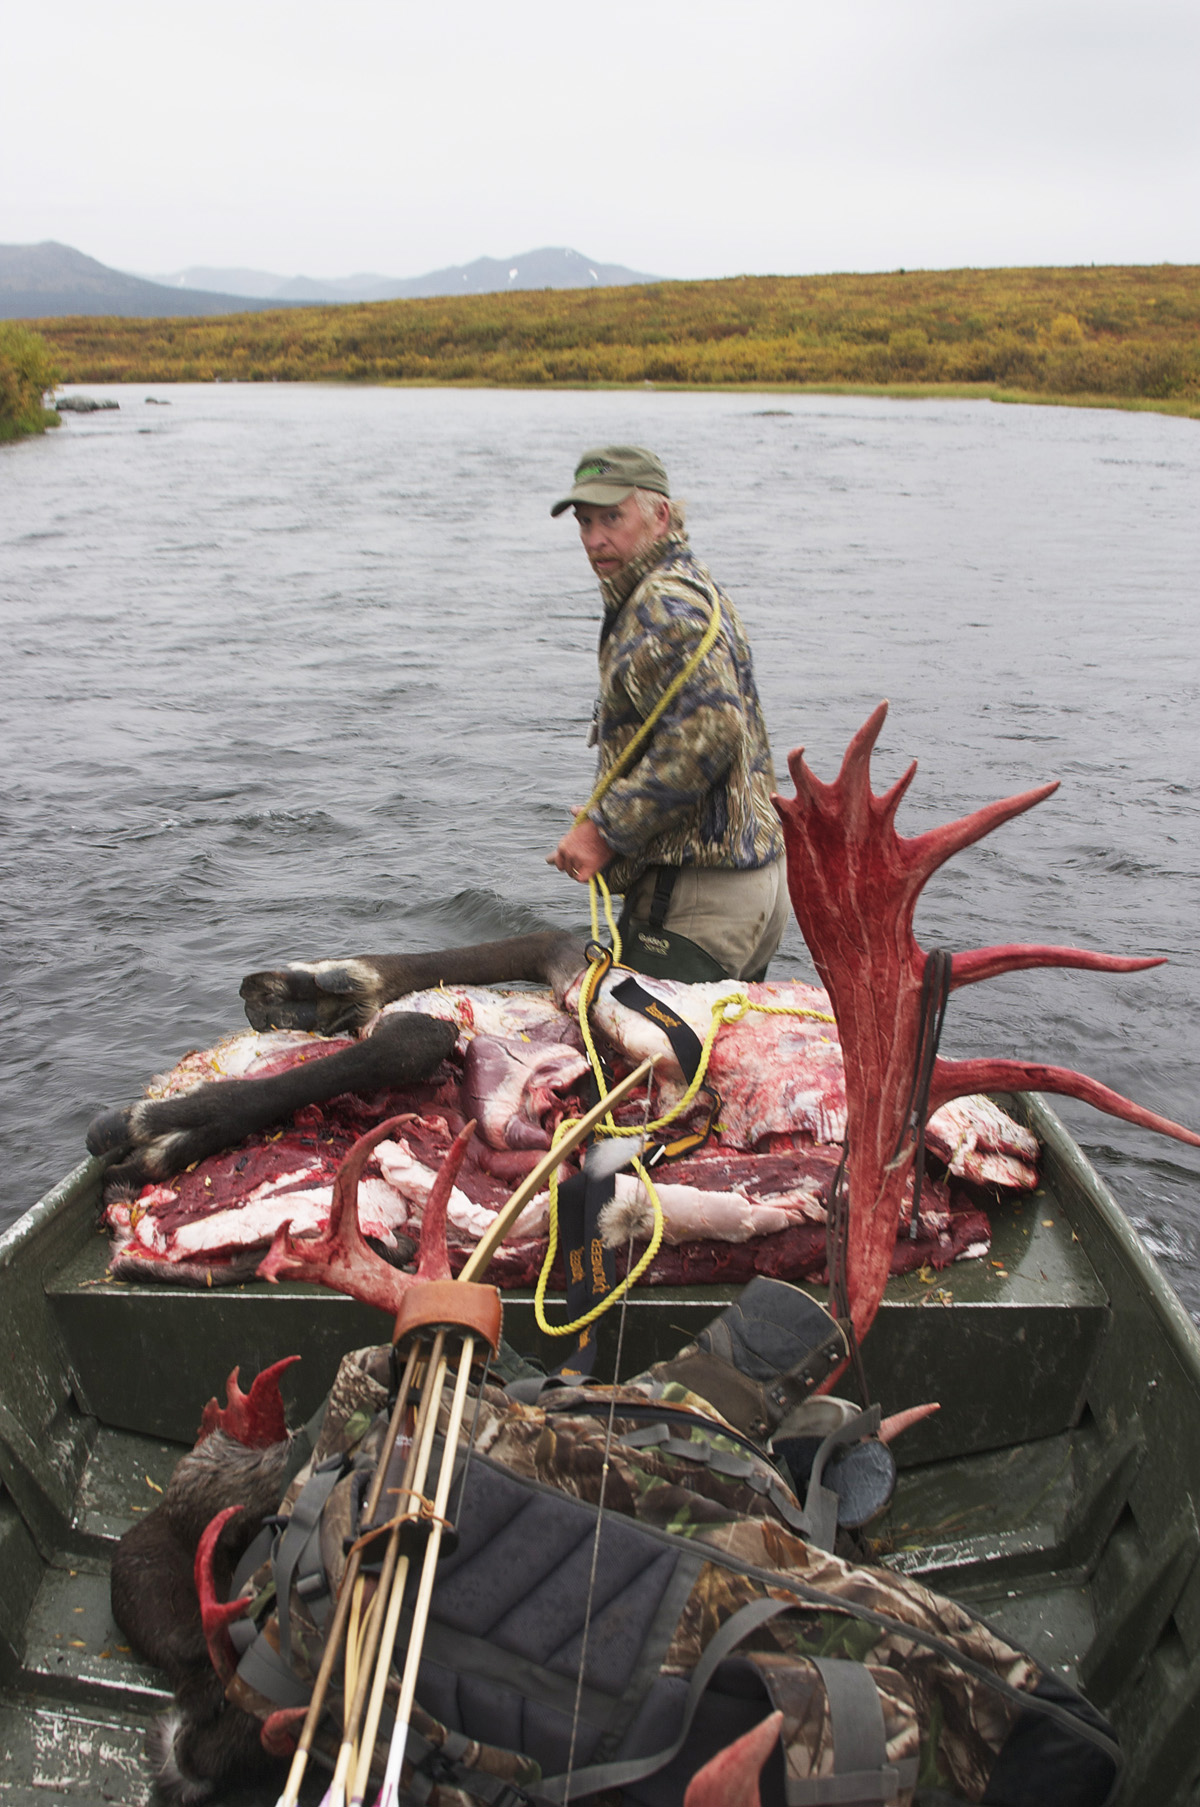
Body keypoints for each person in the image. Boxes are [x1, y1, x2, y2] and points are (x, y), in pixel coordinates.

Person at [547, 444, 789, 982]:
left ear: (660, 515)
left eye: (612, 518)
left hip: (697, 898)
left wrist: (605, 830)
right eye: (585, 523)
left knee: (656, 1067)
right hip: (751, 883)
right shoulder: (694, 584)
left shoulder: (661, 606)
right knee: (718, 1061)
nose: (594, 539)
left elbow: (710, 733)